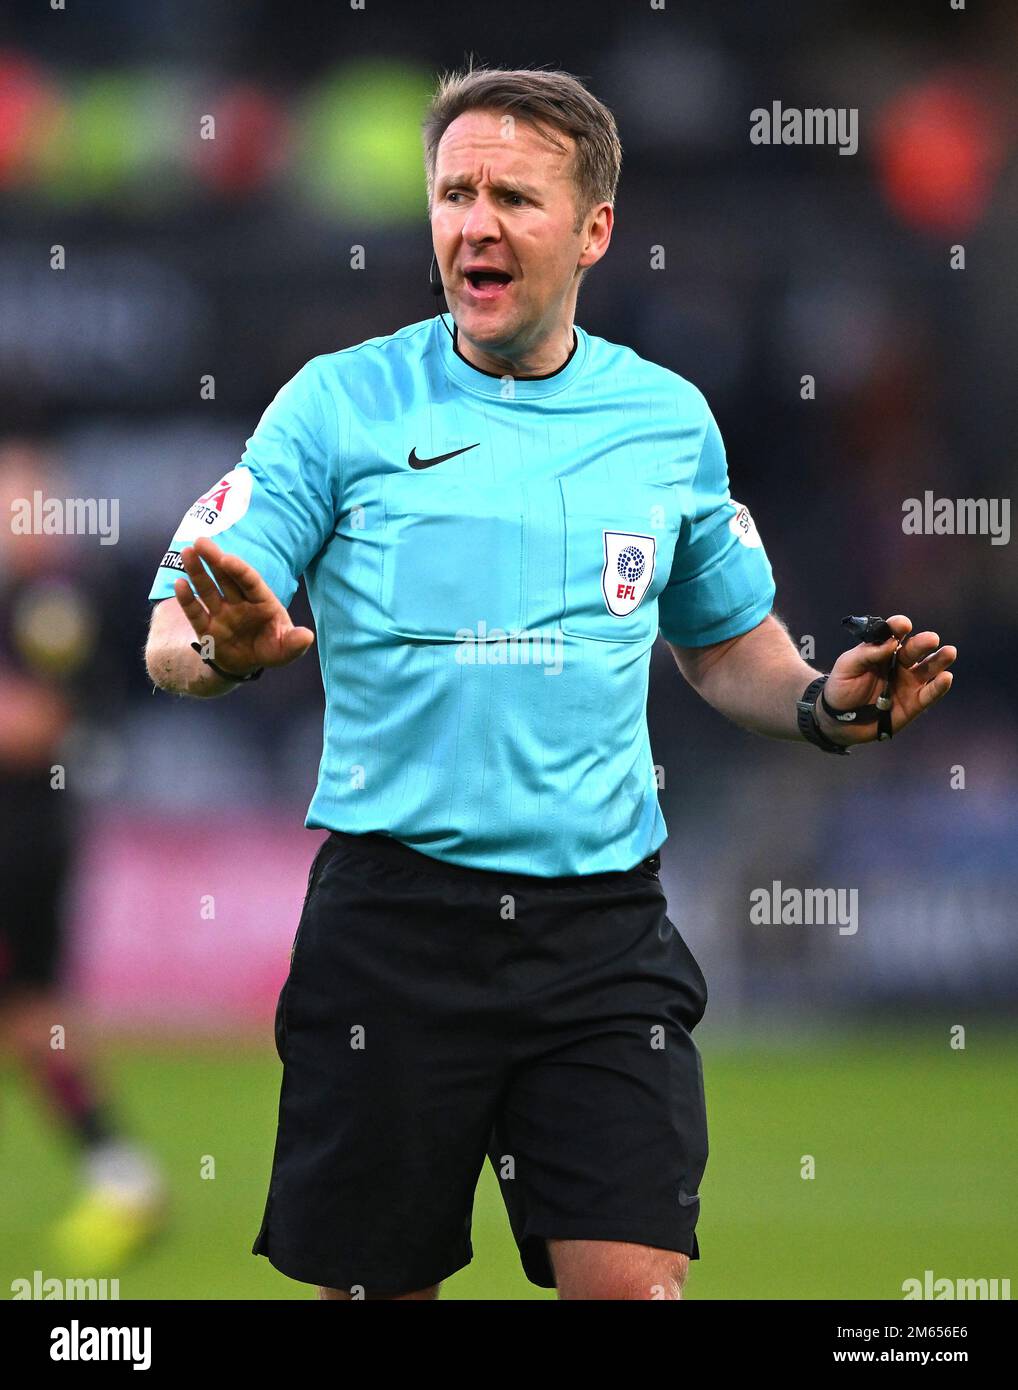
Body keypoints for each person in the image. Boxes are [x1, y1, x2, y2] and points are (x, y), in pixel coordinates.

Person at [143, 66, 956, 1301]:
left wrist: (816, 702)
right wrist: (222, 650)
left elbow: (724, 639)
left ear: (592, 231)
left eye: (513, 196)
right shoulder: (338, 402)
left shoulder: (667, 419)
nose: (474, 222)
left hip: (597, 930)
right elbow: (172, 628)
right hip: (391, 924)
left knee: (634, 1287)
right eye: (454, 192)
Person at [0, 441, 167, 1271]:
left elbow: (40, 722)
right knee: (33, 1016)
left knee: (33, 1013)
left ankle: (123, 1178)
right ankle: (122, 1178)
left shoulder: (51, 603)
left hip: (24, 837)